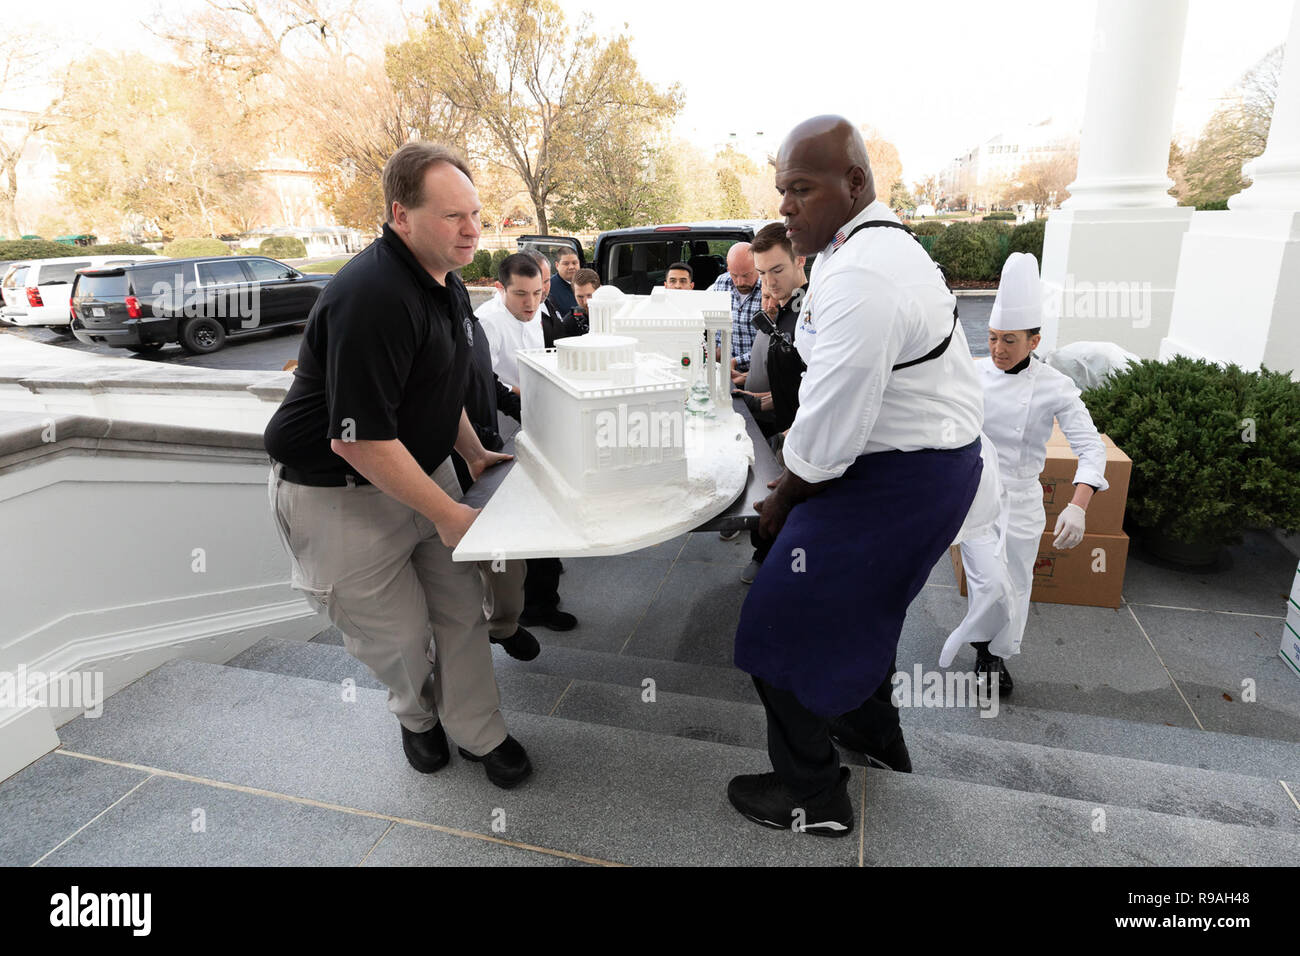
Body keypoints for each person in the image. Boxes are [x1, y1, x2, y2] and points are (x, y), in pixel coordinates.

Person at [727, 116, 985, 837]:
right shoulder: (862, 249)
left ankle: (815, 796)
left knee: (776, 625)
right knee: (865, 612)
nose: (786, 206)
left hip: (903, 478)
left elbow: (830, 426)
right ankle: (874, 734)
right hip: (921, 469)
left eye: (802, 189)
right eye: (781, 190)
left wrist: (779, 501)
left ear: (856, 184)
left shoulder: (865, 272)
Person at [263, 141, 532, 790]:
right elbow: (356, 439)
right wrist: (448, 513)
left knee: (461, 611)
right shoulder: (373, 295)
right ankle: (416, 718)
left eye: (475, 213)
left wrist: (469, 451)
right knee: (403, 641)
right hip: (340, 495)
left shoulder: (447, 280)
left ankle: (480, 731)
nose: (471, 229)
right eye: (451, 216)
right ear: (400, 215)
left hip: (425, 469)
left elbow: (438, 383)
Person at [940, 252, 1109, 696]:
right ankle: (981, 640)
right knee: (989, 580)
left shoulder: (1055, 386)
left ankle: (992, 653)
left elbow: (1090, 447)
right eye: (993, 338)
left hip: (1022, 499)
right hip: (976, 495)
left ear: (1034, 341)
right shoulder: (972, 373)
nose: (997, 349)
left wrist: (1079, 505)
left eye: (1009, 341)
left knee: (1015, 584)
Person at [737, 221, 809, 584]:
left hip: (807, 444)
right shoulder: (782, 310)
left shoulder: (812, 315)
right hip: (784, 434)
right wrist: (751, 404)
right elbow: (788, 385)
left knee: (789, 518)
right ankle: (766, 558)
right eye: (763, 273)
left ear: (801, 261)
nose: (769, 282)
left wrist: (796, 443)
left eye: (777, 270)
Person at [475, 253, 545, 392]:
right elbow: (481, 379)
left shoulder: (538, 309)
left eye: (537, 293)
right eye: (520, 294)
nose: (531, 303)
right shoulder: (487, 322)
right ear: (500, 288)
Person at [568, 268, 600, 334]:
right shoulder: (569, 323)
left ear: (599, 290)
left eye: (589, 295)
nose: (585, 302)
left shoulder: (615, 314)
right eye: (580, 297)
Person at [550, 249, 581, 317]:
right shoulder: (549, 288)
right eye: (566, 263)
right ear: (557, 265)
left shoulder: (587, 283)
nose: (571, 267)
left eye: (574, 263)